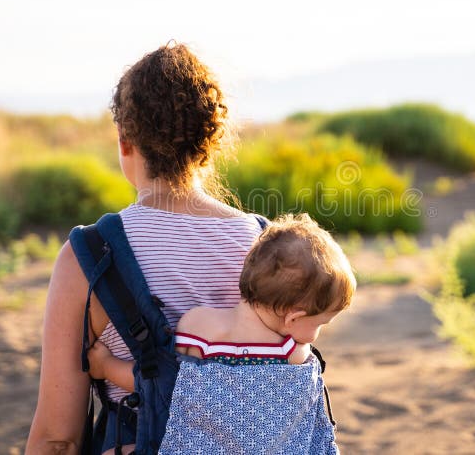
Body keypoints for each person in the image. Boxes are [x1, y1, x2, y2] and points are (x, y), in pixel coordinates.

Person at [26, 42, 266, 455]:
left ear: (124, 140)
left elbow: (58, 438)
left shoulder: (91, 253)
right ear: (209, 142)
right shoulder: (265, 243)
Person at [87, 213, 356, 454]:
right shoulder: (292, 352)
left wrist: (105, 365)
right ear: (294, 317)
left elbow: (161, 384)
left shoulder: (198, 325)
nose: (316, 334)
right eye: (321, 324)